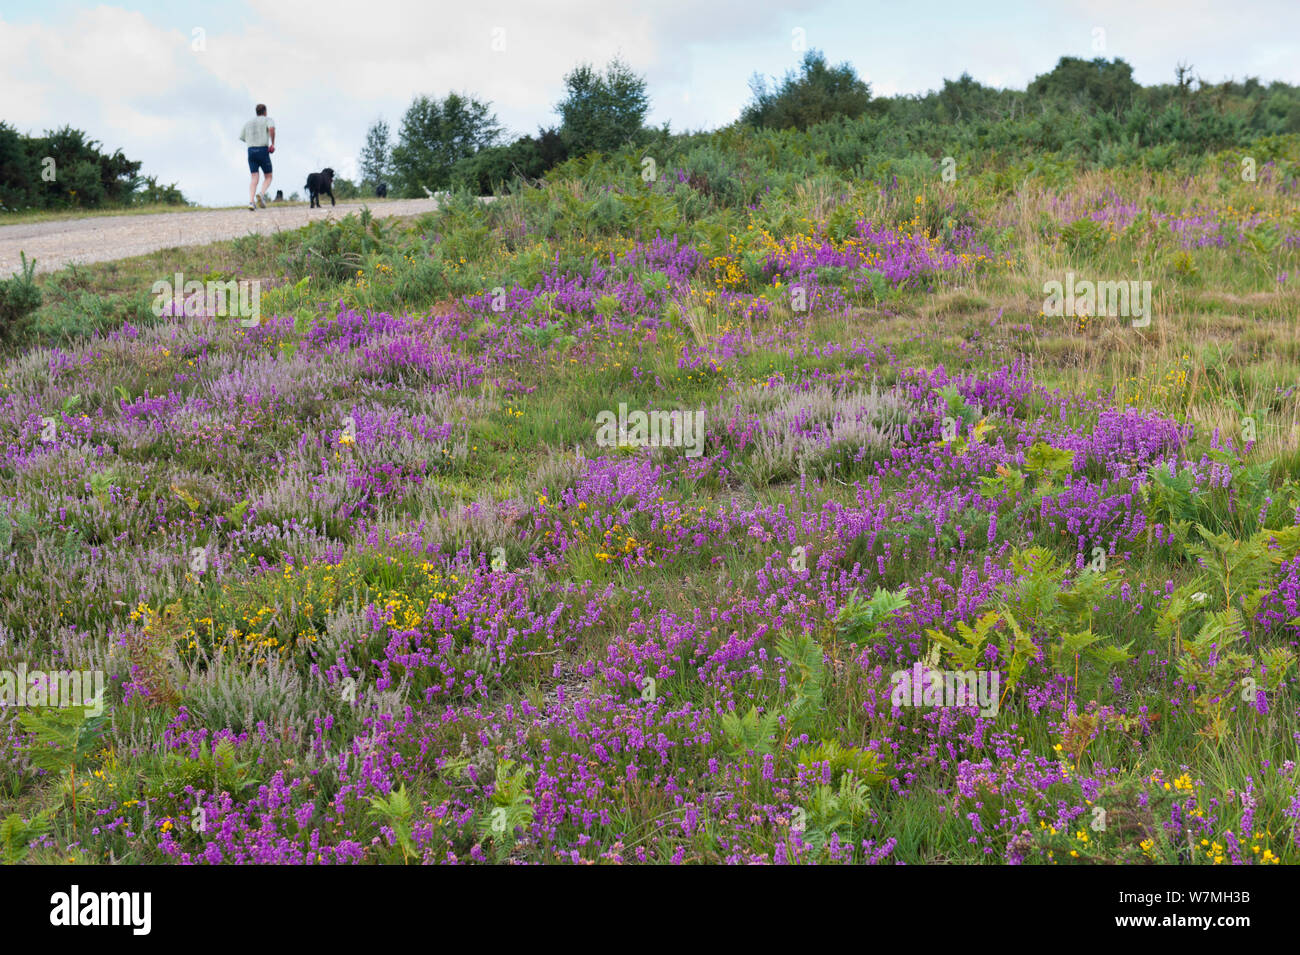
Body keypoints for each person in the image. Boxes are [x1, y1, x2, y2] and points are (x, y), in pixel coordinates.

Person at [239, 104, 276, 210]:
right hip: (262, 150)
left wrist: (252, 141)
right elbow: (272, 129)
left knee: (254, 178)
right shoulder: (267, 119)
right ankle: (261, 194)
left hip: (251, 150)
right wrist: (272, 143)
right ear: (265, 111)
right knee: (268, 176)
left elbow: (242, 137)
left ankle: (251, 202)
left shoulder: (248, 123)